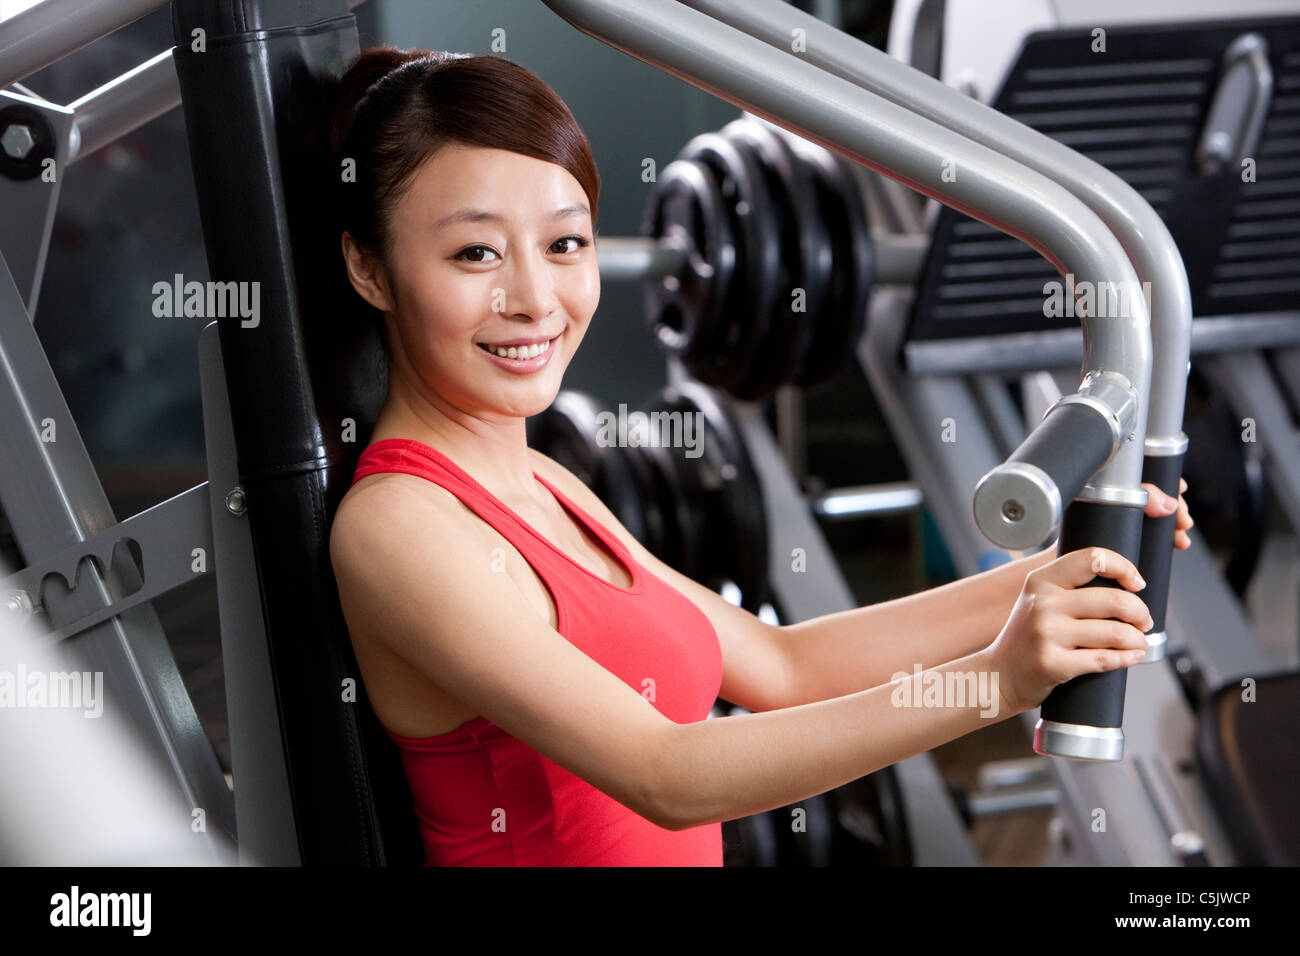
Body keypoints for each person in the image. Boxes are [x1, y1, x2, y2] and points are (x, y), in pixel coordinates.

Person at [325, 46, 1195, 866]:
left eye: (565, 244)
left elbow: (785, 667)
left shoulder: (544, 481)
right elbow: (665, 774)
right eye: (475, 252)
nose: (535, 299)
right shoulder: (401, 525)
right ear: (369, 269)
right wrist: (996, 685)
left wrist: (1060, 567)